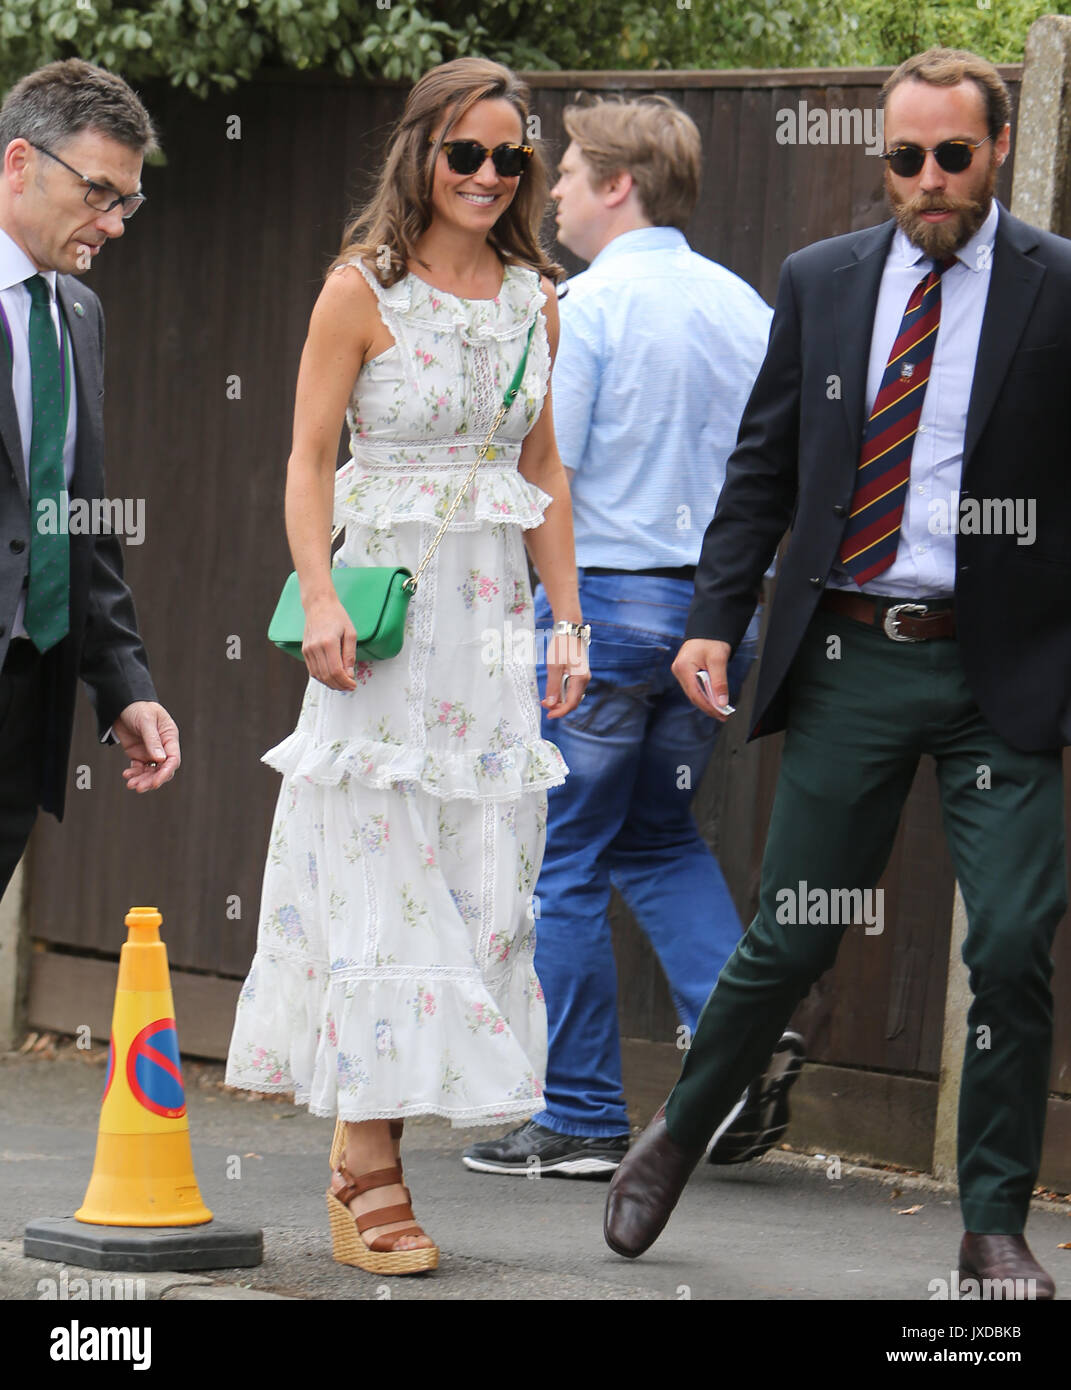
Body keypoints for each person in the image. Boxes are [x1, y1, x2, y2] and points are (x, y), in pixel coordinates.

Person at [604, 47, 1070, 1300]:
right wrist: (713, 615)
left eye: (952, 156)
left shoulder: (1058, 288)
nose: (926, 179)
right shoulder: (822, 282)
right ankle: (684, 1127)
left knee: (1017, 944)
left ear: (1001, 147)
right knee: (792, 934)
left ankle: (991, 1229)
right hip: (856, 652)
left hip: (1003, 669)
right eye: (904, 157)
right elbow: (762, 468)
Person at [225, 58, 589, 1275]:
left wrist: (568, 623)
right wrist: (320, 594)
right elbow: (306, 455)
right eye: (465, 154)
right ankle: (366, 1162)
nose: (488, 177)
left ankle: (372, 1138)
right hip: (384, 623)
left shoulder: (540, 298)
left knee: (483, 879)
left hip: (491, 628)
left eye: (510, 158)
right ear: (423, 154)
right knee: (388, 868)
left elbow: (543, 473)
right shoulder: (359, 290)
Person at [462, 95, 793, 1180]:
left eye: (563, 173)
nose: (545, 189)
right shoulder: (749, 308)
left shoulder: (587, 309)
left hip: (598, 614)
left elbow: (552, 471)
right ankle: (747, 1044)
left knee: (558, 857)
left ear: (617, 184)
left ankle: (580, 1115)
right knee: (655, 836)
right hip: (715, 624)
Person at [0, 59, 180, 904]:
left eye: (127, 202)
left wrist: (123, 686)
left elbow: (83, 519)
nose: (114, 224)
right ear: (20, 163)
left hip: (25, 703)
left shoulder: (78, 313)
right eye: (100, 192)